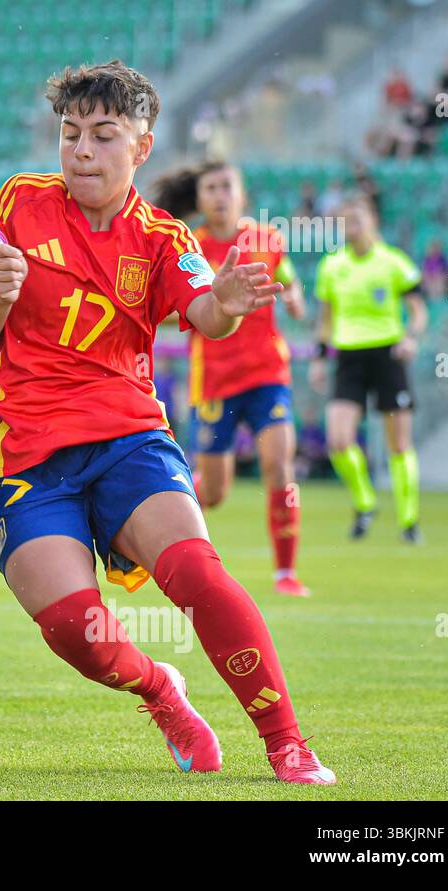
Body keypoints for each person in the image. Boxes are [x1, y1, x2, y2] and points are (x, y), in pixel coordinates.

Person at [0, 60, 335, 784]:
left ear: (143, 146)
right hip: (29, 454)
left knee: (197, 570)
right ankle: (161, 691)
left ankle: (286, 740)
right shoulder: (19, 202)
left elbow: (206, 315)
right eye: (70, 135)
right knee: (74, 628)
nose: (82, 152)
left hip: (130, 439)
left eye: (102, 135)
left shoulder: (164, 238)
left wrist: (225, 298)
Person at [151, 160, 311, 597]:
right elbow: (168, 311)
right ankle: (159, 526)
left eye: (227, 187)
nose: (220, 195)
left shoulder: (268, 241)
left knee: (279, 466)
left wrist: (295, 299)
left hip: (267, 372)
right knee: (216, 491)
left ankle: (286, 573)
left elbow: (287, 279)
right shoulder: (190, 247)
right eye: (211, 188)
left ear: (241, 196)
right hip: (215, 380)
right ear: (199, 199)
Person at [310, 195, 427, 543]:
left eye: (357, 218)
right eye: (345, 220)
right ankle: (365, 502)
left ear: (372, 221)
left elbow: (419, 311)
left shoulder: (392, 262)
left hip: (388, 353)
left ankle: (409, 521)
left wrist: (410, 336)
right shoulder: (332, 267)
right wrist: (319, 358)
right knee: (338, 439)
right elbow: (325, 319)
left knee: (399, 443)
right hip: (348, 356)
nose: (351, 225)